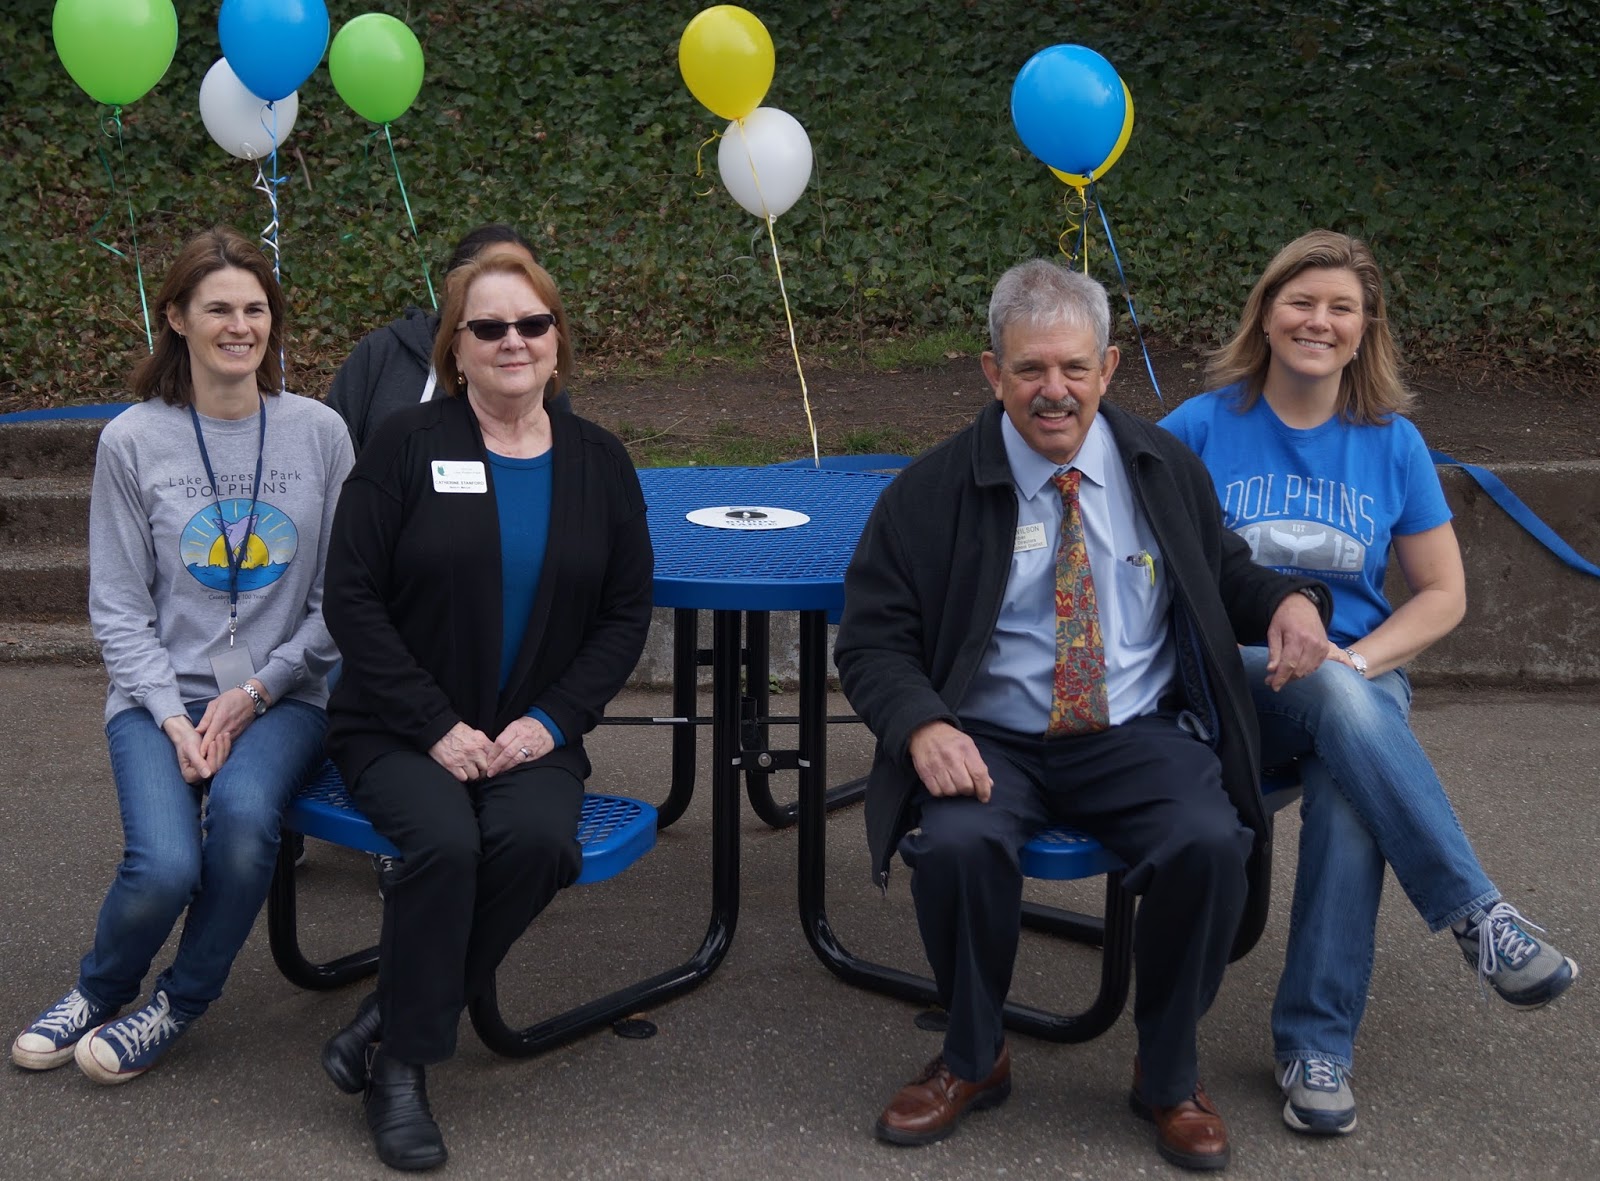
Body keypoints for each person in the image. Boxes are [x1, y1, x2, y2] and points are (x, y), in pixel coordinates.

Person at [834, 258, 1333, 1172]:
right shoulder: (930, 492)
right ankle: (973, 1057)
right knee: (955, 846)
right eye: (1029, 370)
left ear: (1107, 368)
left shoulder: (1161, 465)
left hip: (1133, 732)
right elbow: (870, 641)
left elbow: (1220, 568)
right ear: (993, 374)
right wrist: (921, 724)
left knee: (1211, 841)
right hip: (989, 737)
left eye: (1073, 368)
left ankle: (1168, 1074)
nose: (1053, 391)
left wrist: (1288, 601)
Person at [1159, 229, 1578, 1138]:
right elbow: (1134, 560)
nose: (1320, 320)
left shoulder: (1392, 442)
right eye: (1302, 301)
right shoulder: (1198, 428)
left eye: (1341, 307)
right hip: (1228, 690)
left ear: (1364, 329)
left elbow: (1443, 594)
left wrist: (1351, 663)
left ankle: (1316, 1051)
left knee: (1352, 779)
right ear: (1267, 313)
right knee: (1350, 719)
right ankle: (1476, 918)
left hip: (1352, 684)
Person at [318, 250, 653, 1171]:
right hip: (399, 726)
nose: (514, 342)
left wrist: (553, 720)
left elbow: (626, 613)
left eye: (532, 325)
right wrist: (434, 723)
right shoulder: (405, 445)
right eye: (489, 327)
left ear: (558, 342)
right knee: (446, 843)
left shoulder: (600, 462)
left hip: (531, 731)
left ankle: (385, 1017)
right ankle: (404, 1073)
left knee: (540, 842)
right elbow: (351, 597)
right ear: (454, 349)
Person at [9, 226, 352, 1083]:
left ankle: (179, 1001)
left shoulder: (319, 433)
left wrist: (255, 695)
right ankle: (99, 988)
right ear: (175, 317)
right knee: (163, 865)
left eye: (256, 308)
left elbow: (342, 602)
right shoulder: (133, 440)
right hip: (158, 698)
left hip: (287, 696)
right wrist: (171, 715)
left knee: (241, 832)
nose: (241, 325)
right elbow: (119, 608)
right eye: (219, 309)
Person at [325, 223, 573, 453]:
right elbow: (331, 453)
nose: (513, 342)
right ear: (454, 286)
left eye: (524, 276)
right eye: (494, 273)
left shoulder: (534, 373)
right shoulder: (383, 352)